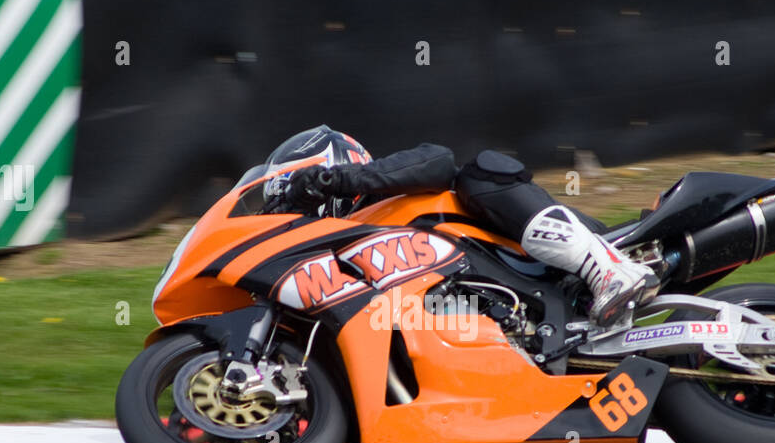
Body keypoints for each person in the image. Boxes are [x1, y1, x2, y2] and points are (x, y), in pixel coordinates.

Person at [263, 125, 659, 327]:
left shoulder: (389, 197)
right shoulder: (350, 265)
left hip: (558, 265)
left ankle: (605, 269)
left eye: (300, 197)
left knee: (479, 173)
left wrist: (338, 181)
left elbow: (436, 159)